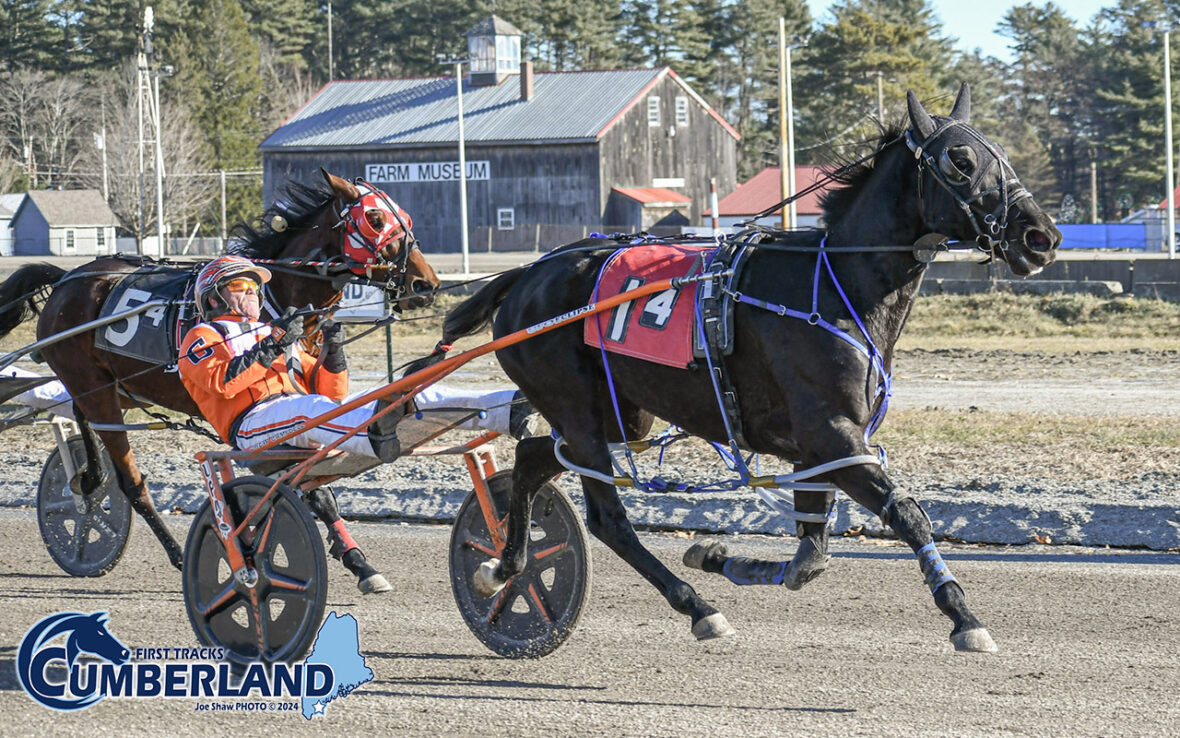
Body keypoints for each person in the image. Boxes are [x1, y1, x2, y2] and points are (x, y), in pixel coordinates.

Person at [178, 255, 534, 462]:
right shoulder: (201, 338)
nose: (253, 296)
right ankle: (373, 433)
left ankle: (509, 408)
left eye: (255, 289)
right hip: (250, 425)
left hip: (297, 411)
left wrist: (334, 353)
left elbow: (331, 393)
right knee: (310, 410)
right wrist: (274, 341)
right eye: (241, 288)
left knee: (412, 393)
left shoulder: (271, 332)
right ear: (214, 300)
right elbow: (221, 383)